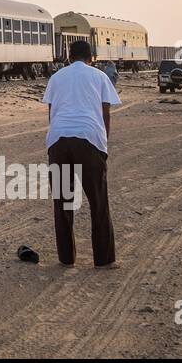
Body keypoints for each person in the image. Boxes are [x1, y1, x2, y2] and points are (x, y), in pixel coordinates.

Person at [43, 39, 119, 267]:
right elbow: (105, 113)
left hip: (58, 139)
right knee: (98, 203)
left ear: (68, 56)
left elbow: (51, 113)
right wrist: (103, 145)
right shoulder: (99, 76)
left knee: (63, 202)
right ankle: (104, 260)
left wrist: (53, 142)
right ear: (91, 57)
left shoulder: (56, 78)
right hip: (89, 139)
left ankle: (66, 259)